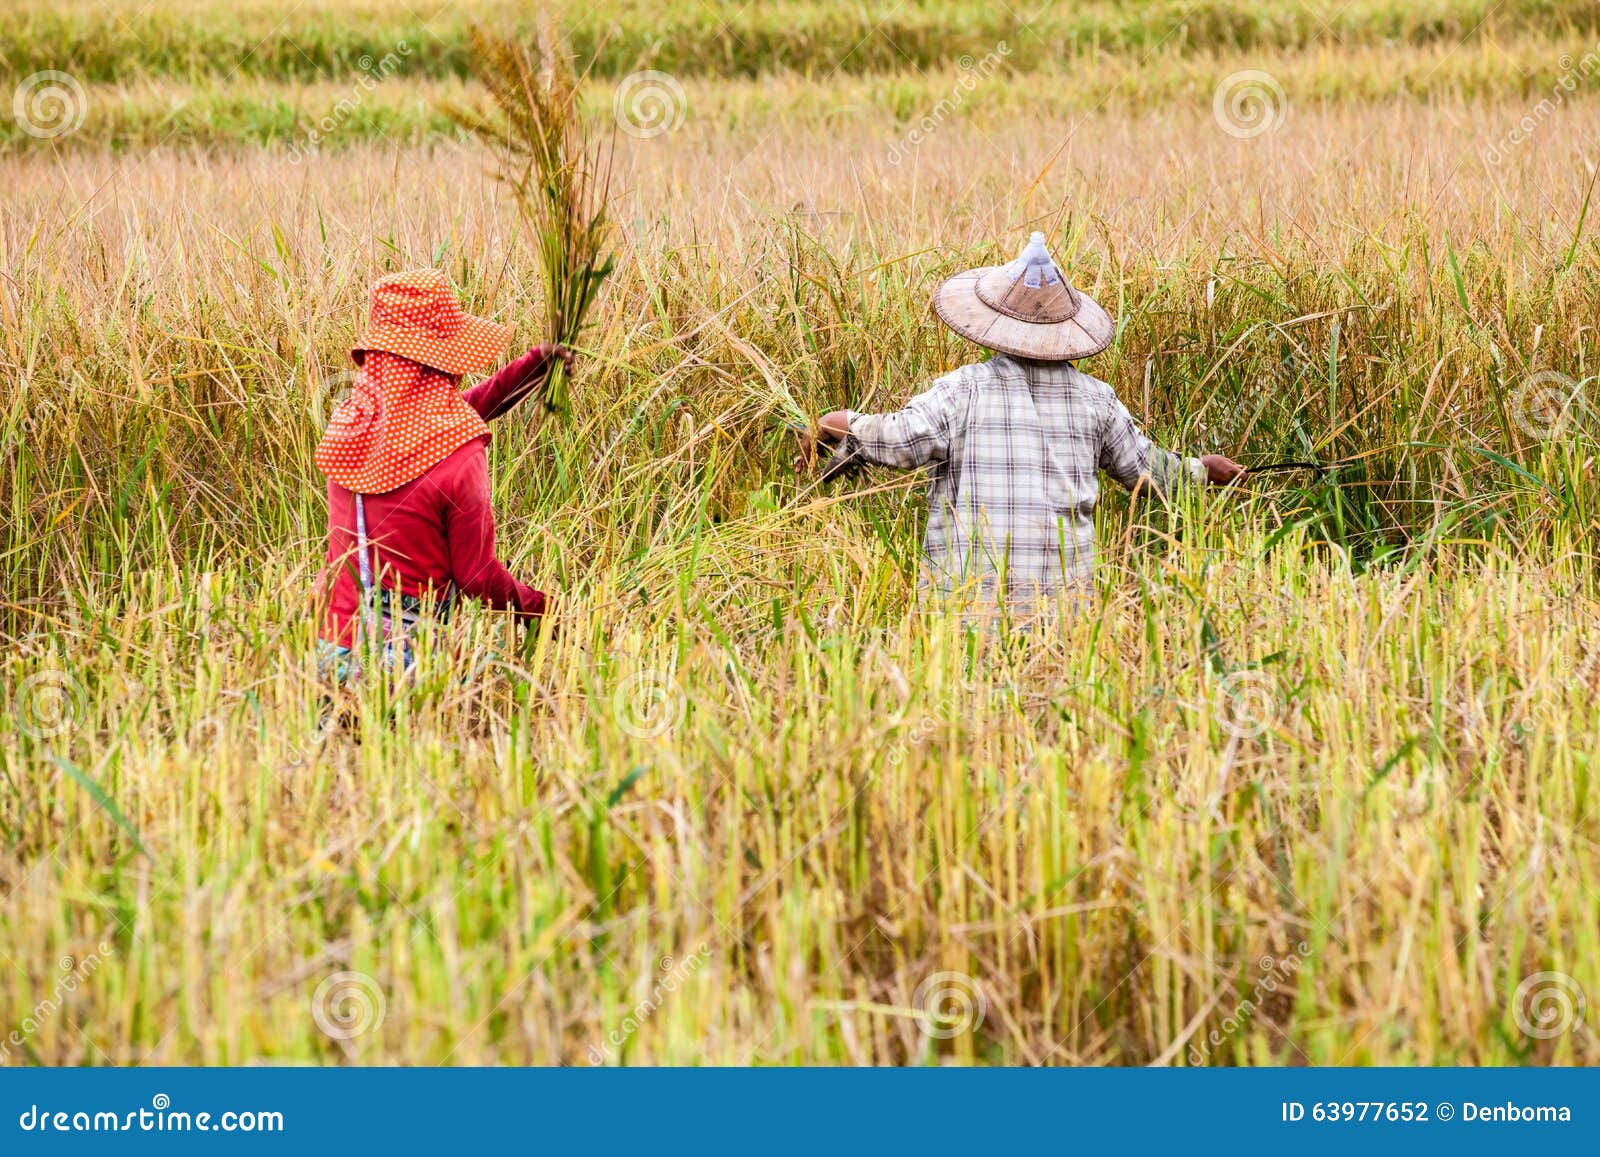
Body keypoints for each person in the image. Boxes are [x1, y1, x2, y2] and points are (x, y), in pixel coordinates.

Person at [816, 231, 1243, 607]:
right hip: (1064, 610)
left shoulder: (962, 390)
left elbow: (898, 440)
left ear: (999, 325)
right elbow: (1146, 472)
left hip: (970, 608)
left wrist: (839, 423)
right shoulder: (1098, 400)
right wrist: (1202, 471)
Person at [313, 268, 565, 681]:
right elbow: (477, 577)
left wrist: (533, 367)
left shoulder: (350, 427)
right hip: (404, 664)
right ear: (444, 362)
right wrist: (539, 609)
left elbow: (437, 420)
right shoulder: (459, 458)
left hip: (330, 648)